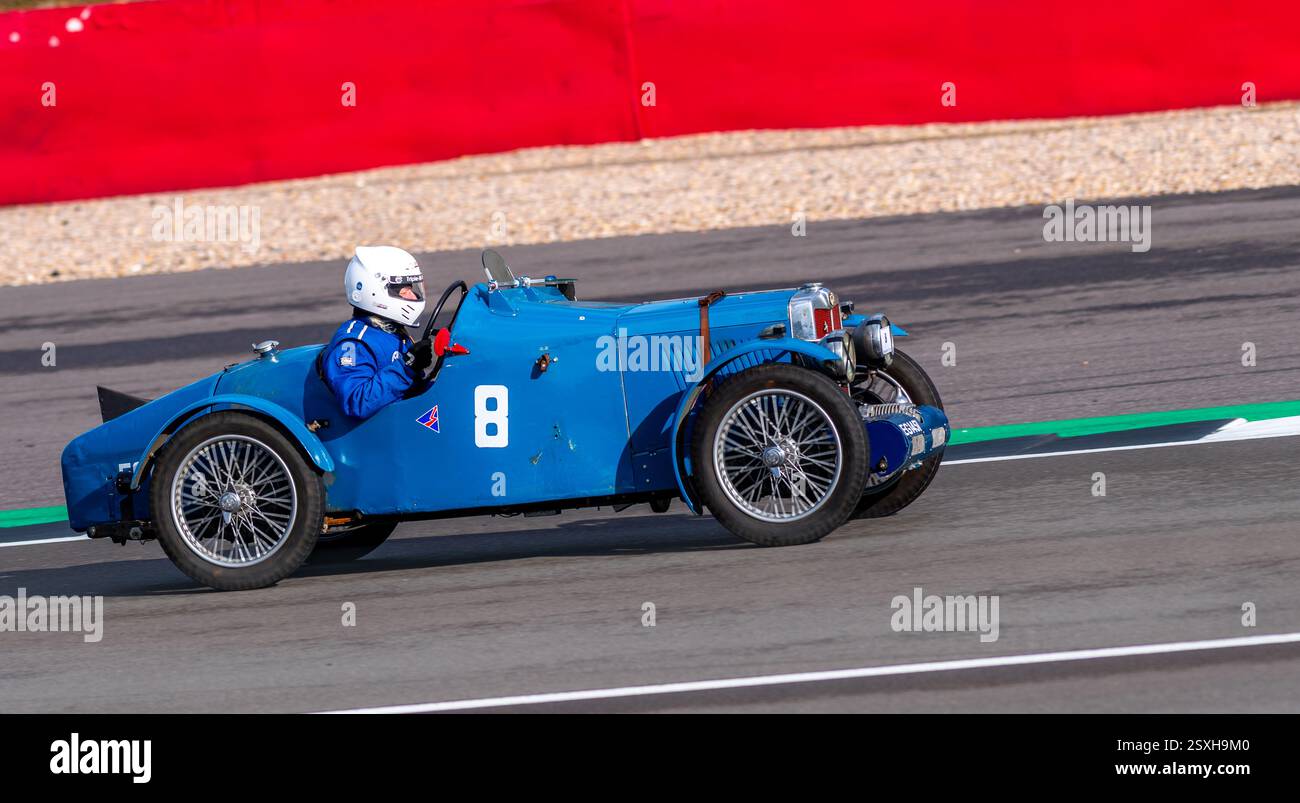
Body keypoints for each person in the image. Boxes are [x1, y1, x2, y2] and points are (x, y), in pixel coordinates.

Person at [321, 246, 434, 419]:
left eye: (411, 289)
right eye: (403, 290)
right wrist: (407, 367)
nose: (412, 297)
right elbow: (356, 402)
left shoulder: (392, 331)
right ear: (373, 290)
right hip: (374, 436)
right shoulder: (353, 343)